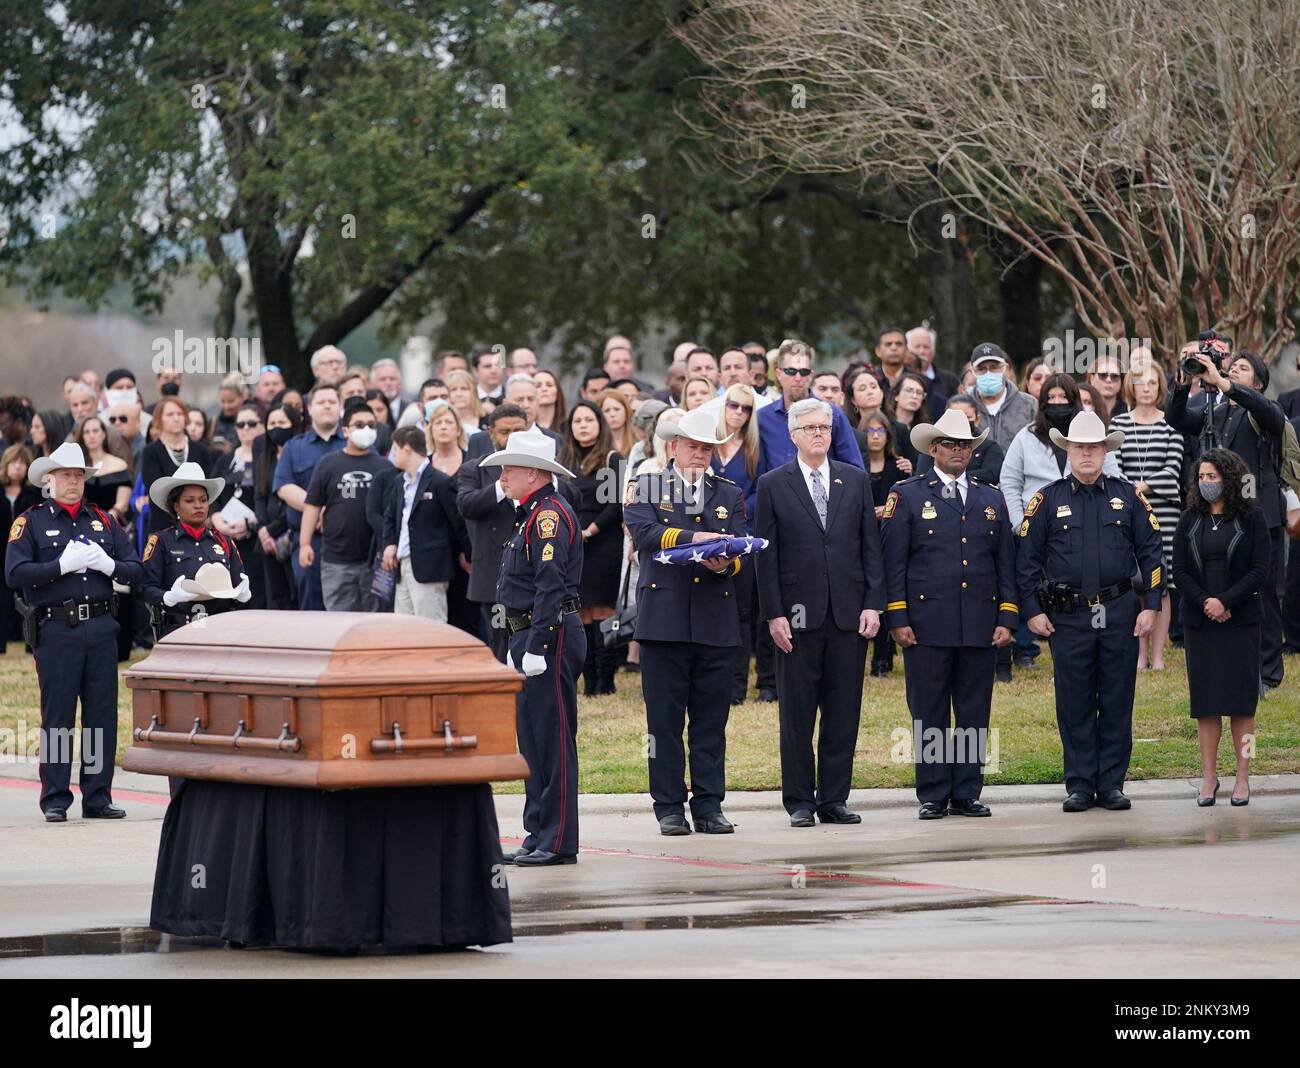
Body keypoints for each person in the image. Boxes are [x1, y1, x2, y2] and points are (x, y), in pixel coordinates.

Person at [1017, 411, 1163, 812]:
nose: (1086, 454)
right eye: (1079, 447)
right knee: (1075, 699)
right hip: (1069, 616)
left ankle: (1112, 783)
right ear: (1068, 451)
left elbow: (1151, 553)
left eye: (1094, 447)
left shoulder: (1128, 496)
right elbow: (1026, 561)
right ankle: (1080, 784)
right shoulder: (1047, 500)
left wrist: (1150, 606)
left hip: (1117, 611)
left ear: (1104, 451)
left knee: (1117, 697)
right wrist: (1030, 611)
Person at [881, 410, 1018, 819]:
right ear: (934, 448)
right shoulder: (906, 495)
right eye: (951, 444)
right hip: (926, 624)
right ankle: (933, 793)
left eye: (965, 444)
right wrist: (898, 617)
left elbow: (1004, 564)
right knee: (930, 712)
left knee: (974, 711)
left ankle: (967, 791)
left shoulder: (990, 497)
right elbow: (894, 563)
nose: (959, 450)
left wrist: (1007, 616)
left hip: (978, 621)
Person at [755, 398, 883, 826]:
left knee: (843, 711)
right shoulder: (774, 484)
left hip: (848, 612)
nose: (817, 434)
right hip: (796, 615)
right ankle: (800, 802)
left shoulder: (855, 479)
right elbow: (765, 556)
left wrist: (873, 603)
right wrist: (774, 613)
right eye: (808, 428)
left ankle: (833, 799)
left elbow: (870, 548)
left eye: (824, 427)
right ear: (792, 435)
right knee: (797, 713)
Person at [624, 408, 747, 836]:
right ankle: (669, 806)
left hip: (714, 620)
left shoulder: (728, 492)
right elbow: (644, 535)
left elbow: (740, 546)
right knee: (665, 722)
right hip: (665, 621)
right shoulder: (647, 486)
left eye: (707, 448)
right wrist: (697, 539)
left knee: (711, 721)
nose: (699, 454)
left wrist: (722, 564)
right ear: (672, 446)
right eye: (692, 446)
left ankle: (710, 804)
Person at [5, 442, 143, 821]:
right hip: (57, 628)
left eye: (79, 475)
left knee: (101, 716)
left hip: (100, 626)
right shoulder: (31, 521)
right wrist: (60, 566)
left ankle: (97, 796)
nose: (73, 481)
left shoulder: (103, 520)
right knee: (59, 716)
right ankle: (55, 797)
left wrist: (110, 565)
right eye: (66, 474)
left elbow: (135, 568)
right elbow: (14, 574)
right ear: (49, 480)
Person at [481, 429, 585, 866]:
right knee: (532, 740)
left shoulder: (548, 515)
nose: (502, 475)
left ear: (533, 472)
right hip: (528, 633)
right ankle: (537, 830)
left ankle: (558, 839)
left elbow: (550, 585)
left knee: (553, 739)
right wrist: (516, 641)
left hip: (551, 633)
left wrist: (538, 643)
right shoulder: (530, 513)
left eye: (509, 468)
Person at [1166, 341, 1287, 694]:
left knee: (1262, 591)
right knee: (1224, 583)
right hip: (1218, 512)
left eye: (1243, 368)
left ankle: (1267, 672)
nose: (1233, 370)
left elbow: (1272, 417)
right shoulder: (1213, 412)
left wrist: (1223, 383)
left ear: (1260, 382)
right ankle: (1233, 664)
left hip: (1258, 511)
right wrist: (1184, 381)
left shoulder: (1263, 409)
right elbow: (1175, 419)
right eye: (1231, 366)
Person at [1173, 449, 1270, 807]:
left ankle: (1243, 779)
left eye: (1212, 477)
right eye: (1202, 477)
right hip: (1201, 622)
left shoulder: (1253, 518)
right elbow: (1179, 571)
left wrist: (1226, 601)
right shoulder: (1189, 519)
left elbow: (1260, 570)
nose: (1206, 483)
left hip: (1241, 621)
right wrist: (1206, 603)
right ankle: (1209, 778)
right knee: (1207, 704)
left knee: (1243, 705)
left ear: (1229, 479)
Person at [1111, 365, 1184, 670]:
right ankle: (1139, 655)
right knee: (1135, 582)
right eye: (1140, 382)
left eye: (1152, 383)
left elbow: (1174, 468)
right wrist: (1131, 491)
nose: (1146, 388)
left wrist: (1144, 486)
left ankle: (1157, 656)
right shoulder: (1117, 423)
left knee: (1161, 583)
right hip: (1127, 511)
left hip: (1164, 514)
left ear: (1160, 388)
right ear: (1131, 387)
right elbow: (1113, 466)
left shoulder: (1171, 425)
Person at [140, 462, 251, 639]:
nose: (198, 505)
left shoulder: (224, 541)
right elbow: (145, 588)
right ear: (176, 506)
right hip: (177, 631)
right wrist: (167, 597)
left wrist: (243, 593)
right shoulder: (161, 541)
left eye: (203, 500)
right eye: (189, 500)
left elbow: (239, 583)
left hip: (221, 630)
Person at [457, 404, 531, 662]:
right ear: (491, 433)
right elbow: (466, 505)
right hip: (493, 570)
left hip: (534, 567)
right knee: (500, 638)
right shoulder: (474, 469)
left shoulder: (543, 468)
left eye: (518, 430)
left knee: (532, 635)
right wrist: (502, 486)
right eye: (504, 432)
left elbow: (570, 496)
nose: (511, 437)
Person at [559, 401, 624, 695]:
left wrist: (590, 531)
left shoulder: (612, 459)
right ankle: (588, 681)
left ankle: (606, 680)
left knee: (603, 611)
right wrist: (573, 534)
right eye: (577, 421)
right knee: (580, 611)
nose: (583, 425)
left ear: (599, 424)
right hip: (573, 544)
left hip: (604, 541)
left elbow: (615, 505)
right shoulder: (565, 462)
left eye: (589, 419)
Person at [300, 400, 388, 612]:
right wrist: (305, 543)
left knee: (376, 622)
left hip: (376, 561)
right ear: (345, 431)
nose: (366, 429)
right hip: (336, 560)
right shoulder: (329, 464)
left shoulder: (385, 467)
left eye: (371, 424)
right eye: (359, 424)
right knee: (339, 624)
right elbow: (312, 505)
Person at [382, 426, 468, 620]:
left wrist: (465, 553)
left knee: (432, 627)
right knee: (403, 629)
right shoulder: (399, 481)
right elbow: (390, 516)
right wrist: (389, 544)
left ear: (406, 449)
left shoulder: (440, 482)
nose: (392, 454)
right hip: (402, 563)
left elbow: (457, 522)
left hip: (430, 566)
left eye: (395, 449)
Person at [273, 384, 345, 610]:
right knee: (311, 607)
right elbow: (284, 487)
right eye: (321, 402)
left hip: (348, 542)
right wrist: (317, 510)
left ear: (340, 408)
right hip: (309, 541)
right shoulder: (294, 447)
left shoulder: (354, 445)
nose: (327, 406)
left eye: (332, 402)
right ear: (309, 408)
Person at [757, 338, 864, 482]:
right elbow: (757, 475)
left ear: (811, 375)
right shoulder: (762, 418)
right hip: (779, 500)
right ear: (778, 374)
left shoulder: (833, 414)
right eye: (791, 371)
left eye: (804, 372)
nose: (798, 377)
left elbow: (855, 469)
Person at [713, 384, 761, 703]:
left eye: (746, 408)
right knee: (712, 611)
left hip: (742, 537)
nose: (739, 413)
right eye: (733, 405)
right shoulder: (708, 443)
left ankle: (737, 687)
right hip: (705, 538)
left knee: (742, 613)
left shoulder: (754, 448)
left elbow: (761, 489)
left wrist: (736, 515)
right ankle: (713, 681)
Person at [209, 404, 266, 611]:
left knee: (257, 591)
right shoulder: (225, 460)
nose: (246, 428)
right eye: (241, 424)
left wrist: (251, 524)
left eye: (252, 423)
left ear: (262, 426)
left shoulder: (267, 459)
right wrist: (217, 521)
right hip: (226, 537)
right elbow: (212, 494)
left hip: (257, 537)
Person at [141, 396, 217, 535]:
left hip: (198, 526)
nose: (176, 418)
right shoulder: (150, 452)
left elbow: (208, 488)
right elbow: (154, 488)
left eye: (180, 414)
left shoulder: (201, 450)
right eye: (170, 414)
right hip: (163, 526)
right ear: (159, 420)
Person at [254, 402, 302, 610]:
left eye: (282, 422)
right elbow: (260, 496)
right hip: (267, 538)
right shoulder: (265, 457)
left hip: (290, 532)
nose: (276, 427)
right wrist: (263, 529)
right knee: (275, 595)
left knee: (296, 592)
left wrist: (273, 530)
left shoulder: (299, 456)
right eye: (272, 423)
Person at [914, 395, 1005, 485]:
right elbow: (922, 476)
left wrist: (952, 478)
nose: (961, 422)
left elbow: (992, 475)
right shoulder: (935, 444)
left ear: (977, 419)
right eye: (947, 444)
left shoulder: (989, 447)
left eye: (967, 417)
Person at [966, 342, 1037, 452]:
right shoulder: (962, 406)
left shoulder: (1029, 405)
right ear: (972, 372)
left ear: (1006, 369)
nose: (988, 373)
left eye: (994, 367)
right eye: (981, 369)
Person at [884, 371, 930, 465]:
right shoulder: (884, 424)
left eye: (919, 393)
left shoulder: (926, 430)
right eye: (909, 390)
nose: (914, 396)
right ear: (896, 395)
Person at [445, 368, 484, 438]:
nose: (459, 394)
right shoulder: (442, 423)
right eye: (453, 390)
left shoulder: (487, 420)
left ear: (474, 392)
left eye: (464, 389)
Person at [599, 389, 635, 457]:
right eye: (607, 411)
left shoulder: (638, 441)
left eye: (617, 409)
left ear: (626, 411)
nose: (612, 414)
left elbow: (621, 466)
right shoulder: (597, 445)